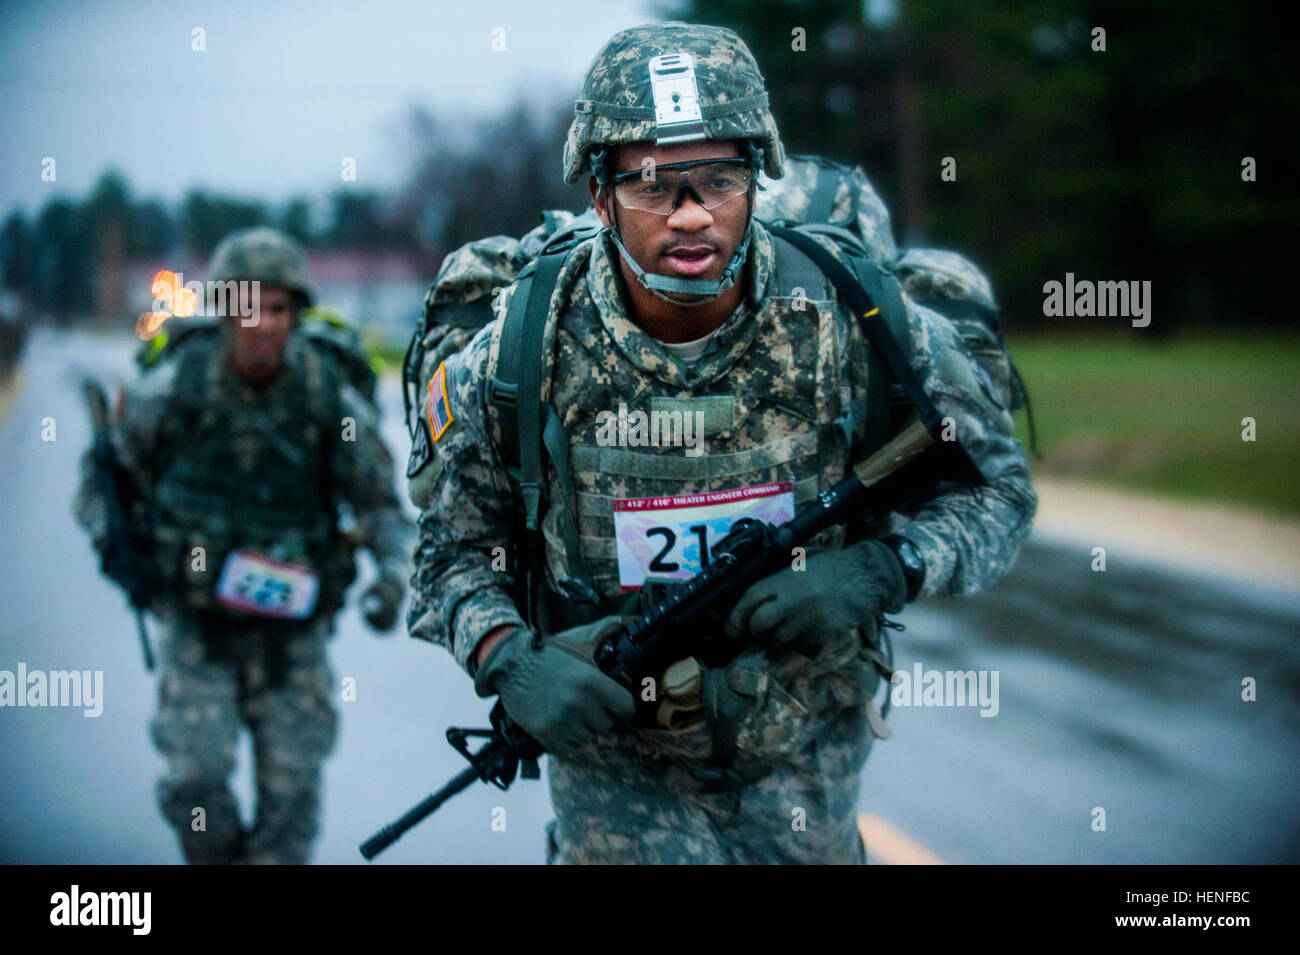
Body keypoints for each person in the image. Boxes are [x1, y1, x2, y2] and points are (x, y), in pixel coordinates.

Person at [407, 23, 1035, 864]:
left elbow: (997, 488)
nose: (693, 213)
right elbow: (450, 552)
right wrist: (508, 657)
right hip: (615, 768)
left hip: (803, 751)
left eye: (721, 179)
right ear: (599, 195)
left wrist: (888, 568)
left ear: (757, 177)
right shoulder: (525, 351)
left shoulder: (854, 320)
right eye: (652, 186)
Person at [74, 227, 414, 864]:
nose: (265, 325)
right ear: (227, 311)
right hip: (197, 626)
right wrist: (117, 550)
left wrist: (391, 575)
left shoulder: (325, 395)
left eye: (280, 308)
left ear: (297, 314)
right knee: (193, 785)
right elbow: (101, 479)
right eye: (250, 306)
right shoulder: (174, 389)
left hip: (293, 636)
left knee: (292, 797)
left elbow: (381, 506)